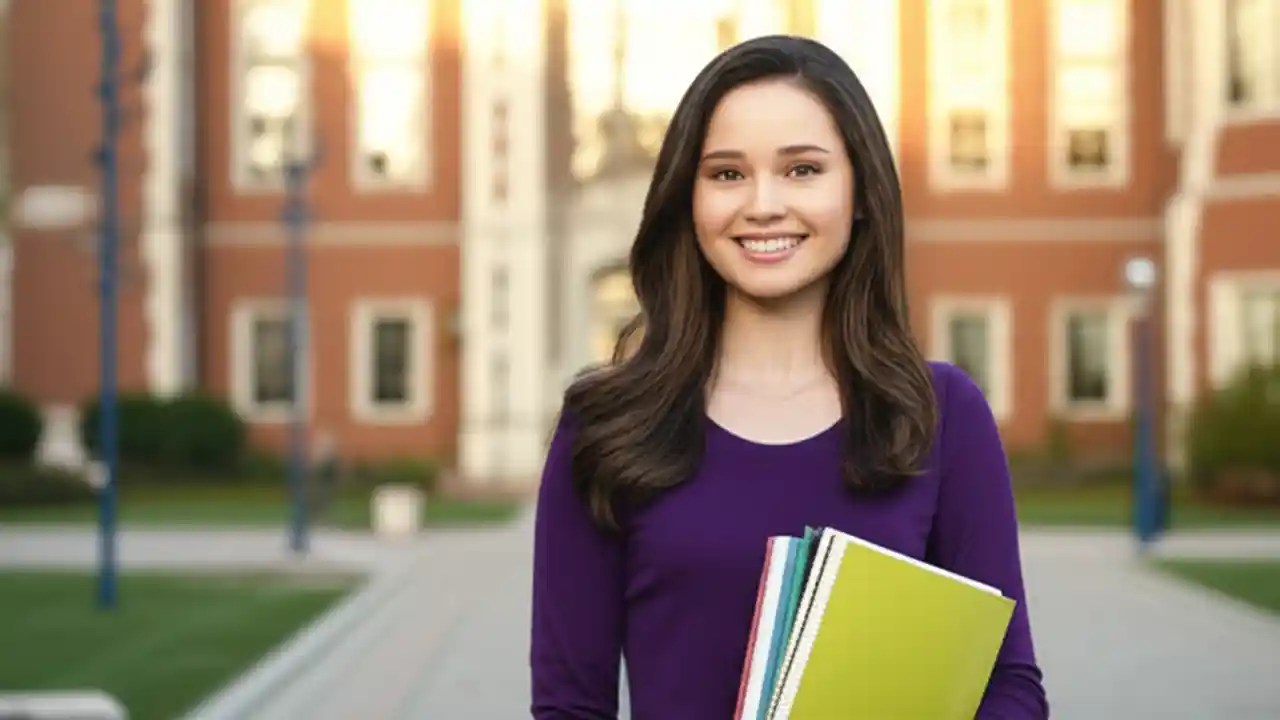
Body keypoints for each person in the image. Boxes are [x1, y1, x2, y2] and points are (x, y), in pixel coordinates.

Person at [530, 35, 1048, 719]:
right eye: (726, 174)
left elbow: (1007, 686)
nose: (764, 204)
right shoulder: (607, 424)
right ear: (689, 200)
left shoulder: (941, 414)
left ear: (860, 192)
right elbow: (570, 707)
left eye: (803, 170)